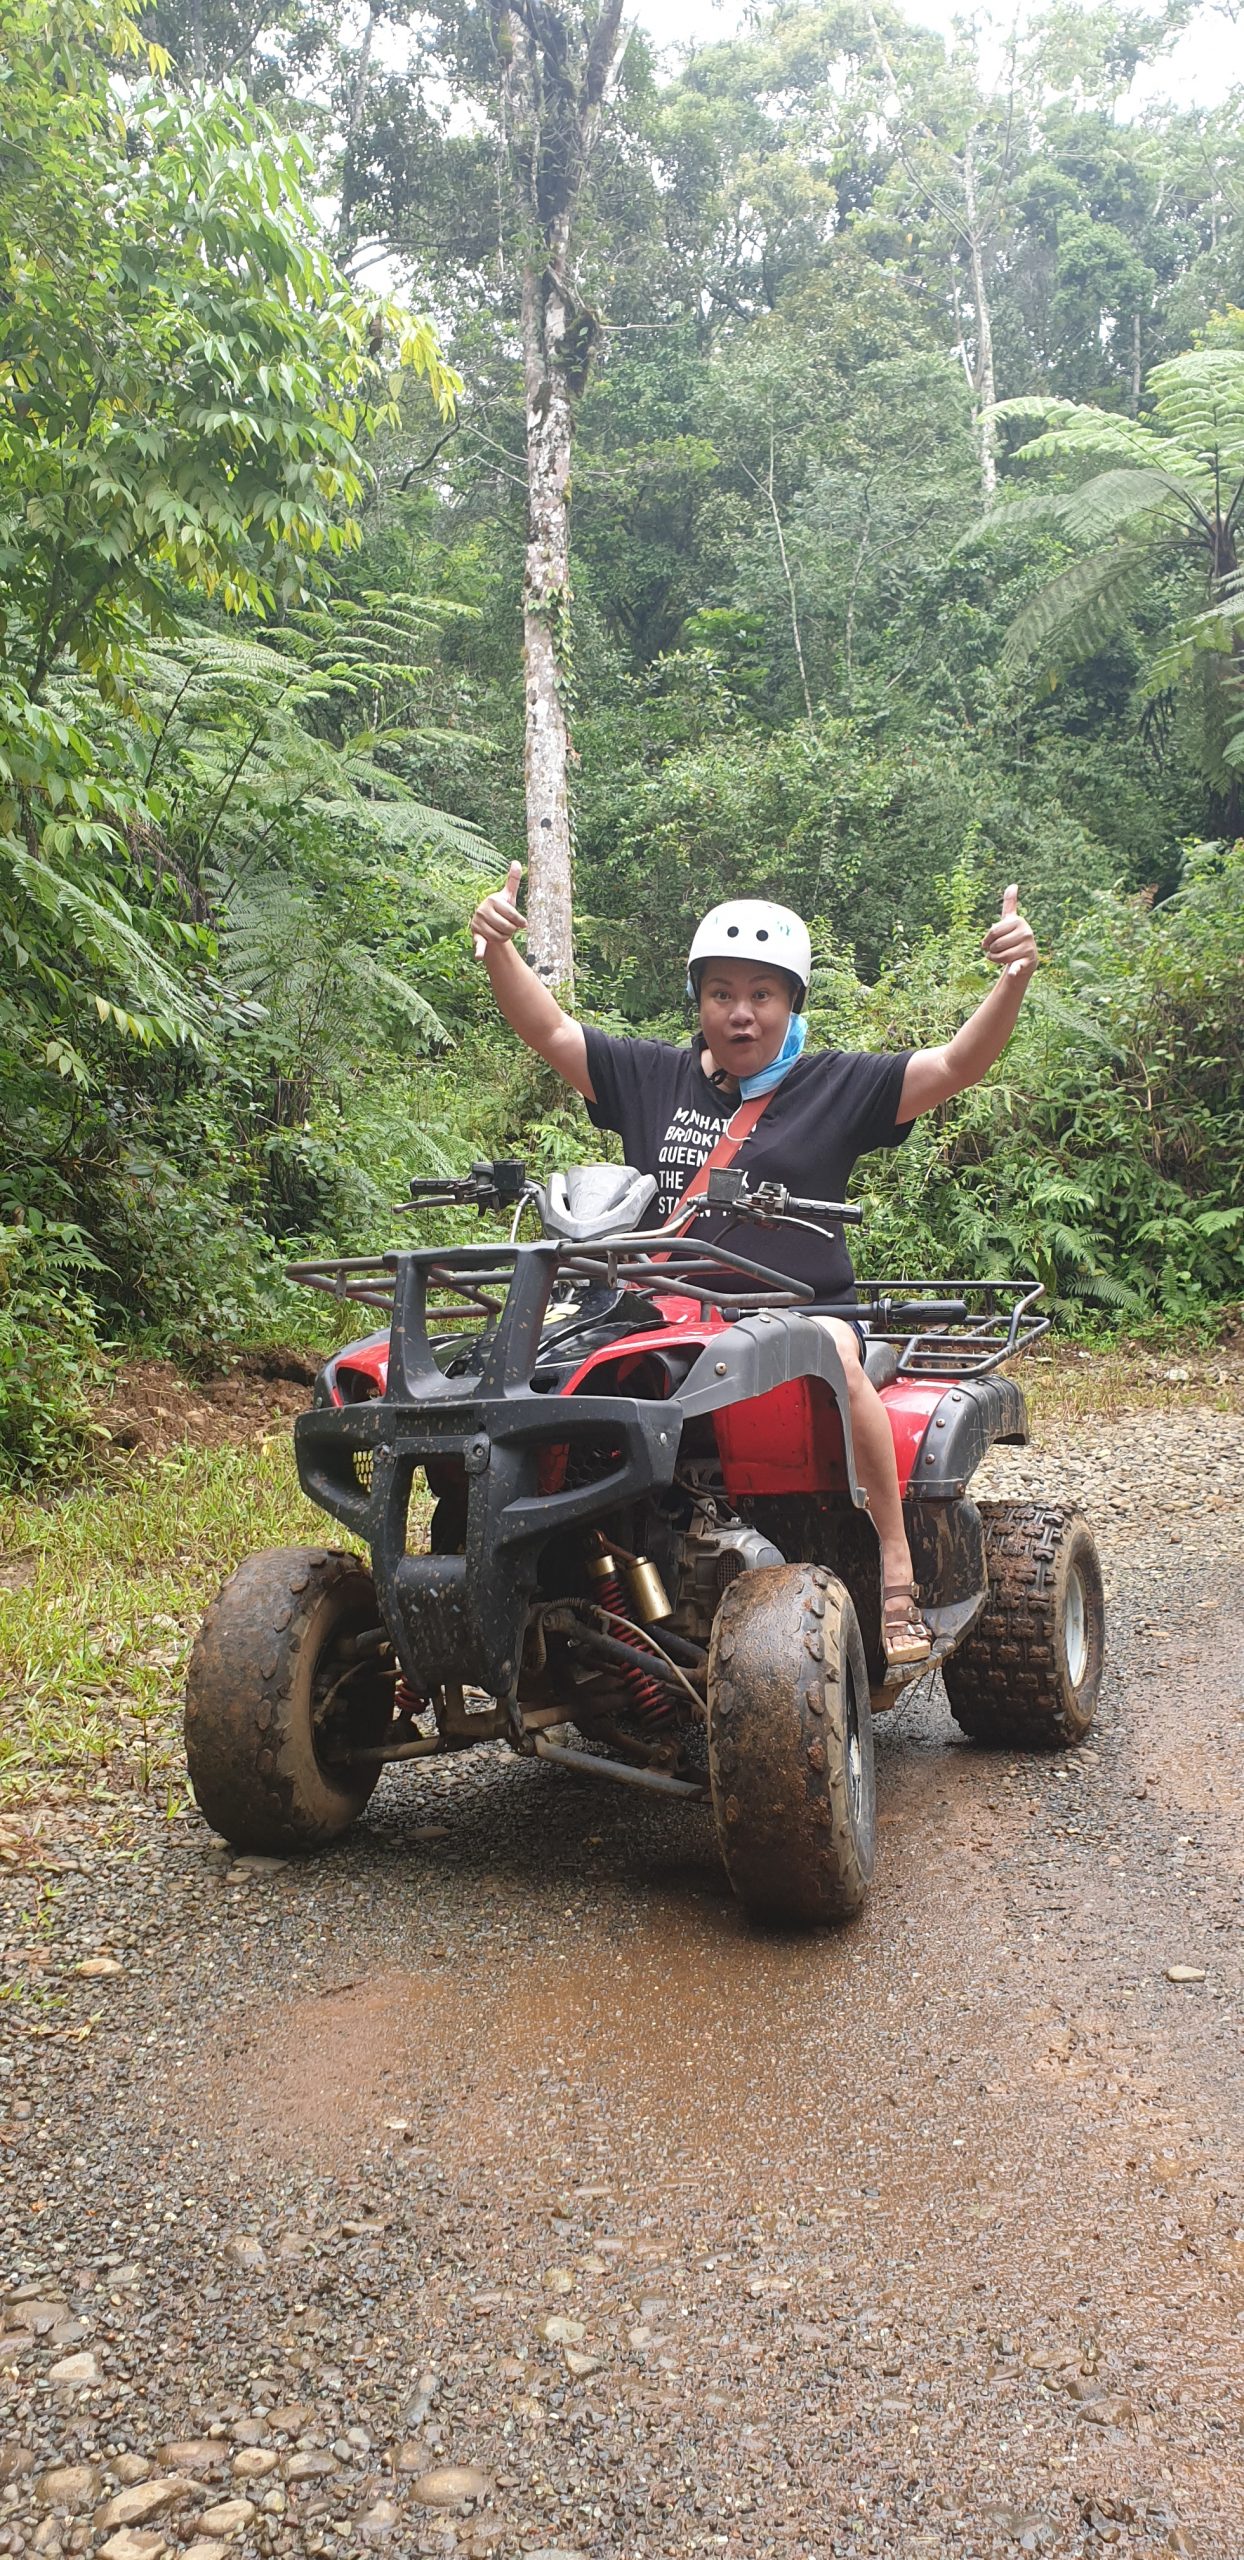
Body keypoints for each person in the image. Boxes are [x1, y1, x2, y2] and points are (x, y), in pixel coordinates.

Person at [470, 866, 1038, 1664]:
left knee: (835, 1353)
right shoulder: (651, 1076)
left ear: (791, 1002)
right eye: (722, 993)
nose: (741, 1012)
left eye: (762, 995)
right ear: (699, 1001)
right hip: (663, 1314)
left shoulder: (837, 1084)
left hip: (802, 1312)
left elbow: (954, 1067)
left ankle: (895, 1567)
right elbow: (550, 1031)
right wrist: (499, 950)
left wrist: (1014, 978)